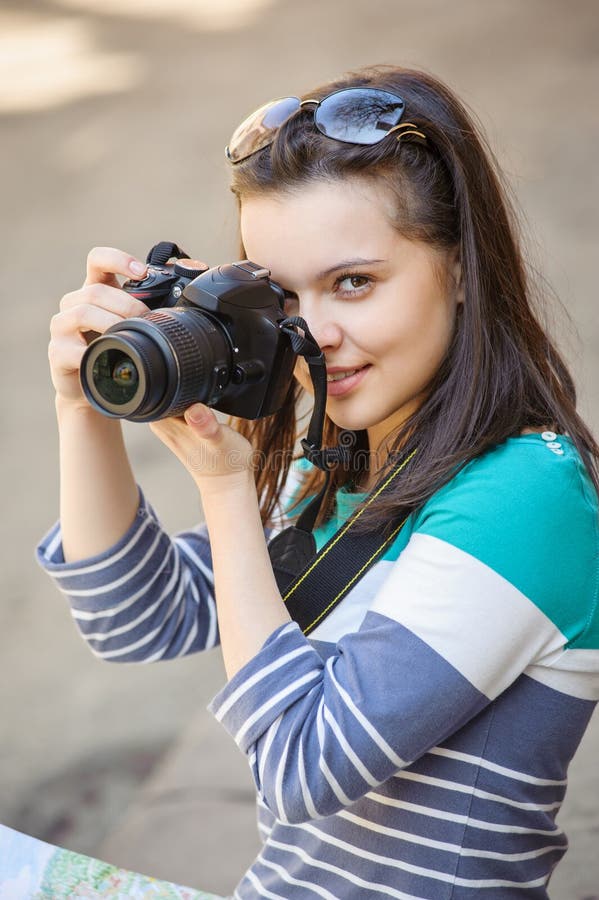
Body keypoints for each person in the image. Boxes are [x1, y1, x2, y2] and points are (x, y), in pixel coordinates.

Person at [35, 64, 599, 899]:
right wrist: (86, 401)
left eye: (354, 282)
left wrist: (227, 490)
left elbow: (304, 766)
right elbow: (137, 622)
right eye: (284, 297)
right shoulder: (344, 461)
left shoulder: (526, 496)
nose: (317, 336)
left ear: (458, 272)